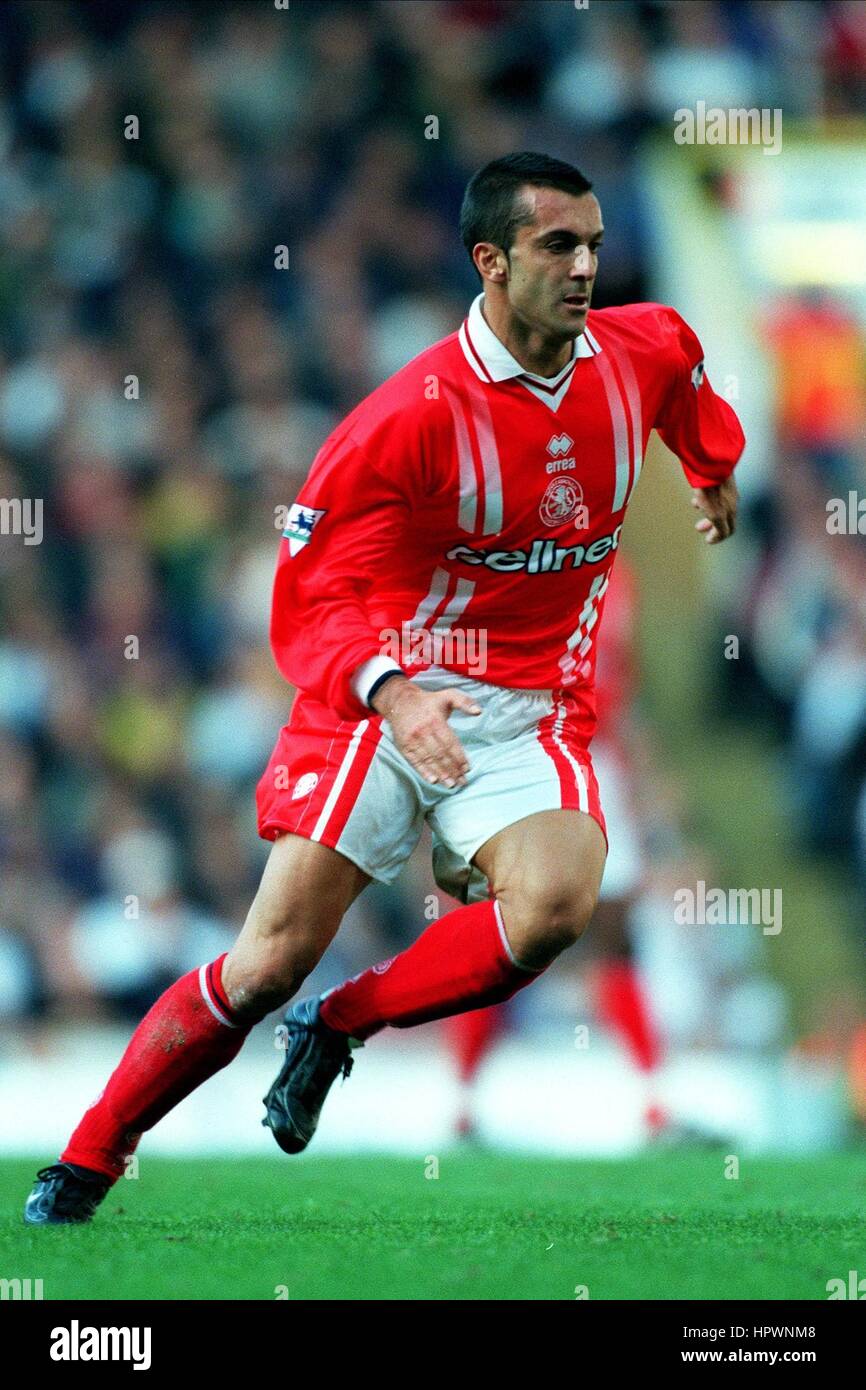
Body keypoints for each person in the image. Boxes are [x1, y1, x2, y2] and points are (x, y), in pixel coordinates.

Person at [25, 152, 742, 1223]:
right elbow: (311, 585)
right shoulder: (408, 415)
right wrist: (394, 693)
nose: (585, 264)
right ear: (489, 262)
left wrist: (707, 464)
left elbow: (682, 370)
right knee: (263, 965)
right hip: (389, 693)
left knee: (554, 908)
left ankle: (343, 1022)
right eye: (557, 245)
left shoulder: (636, 350)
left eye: (591, 242)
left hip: (530, 707)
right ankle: (89, 1156)